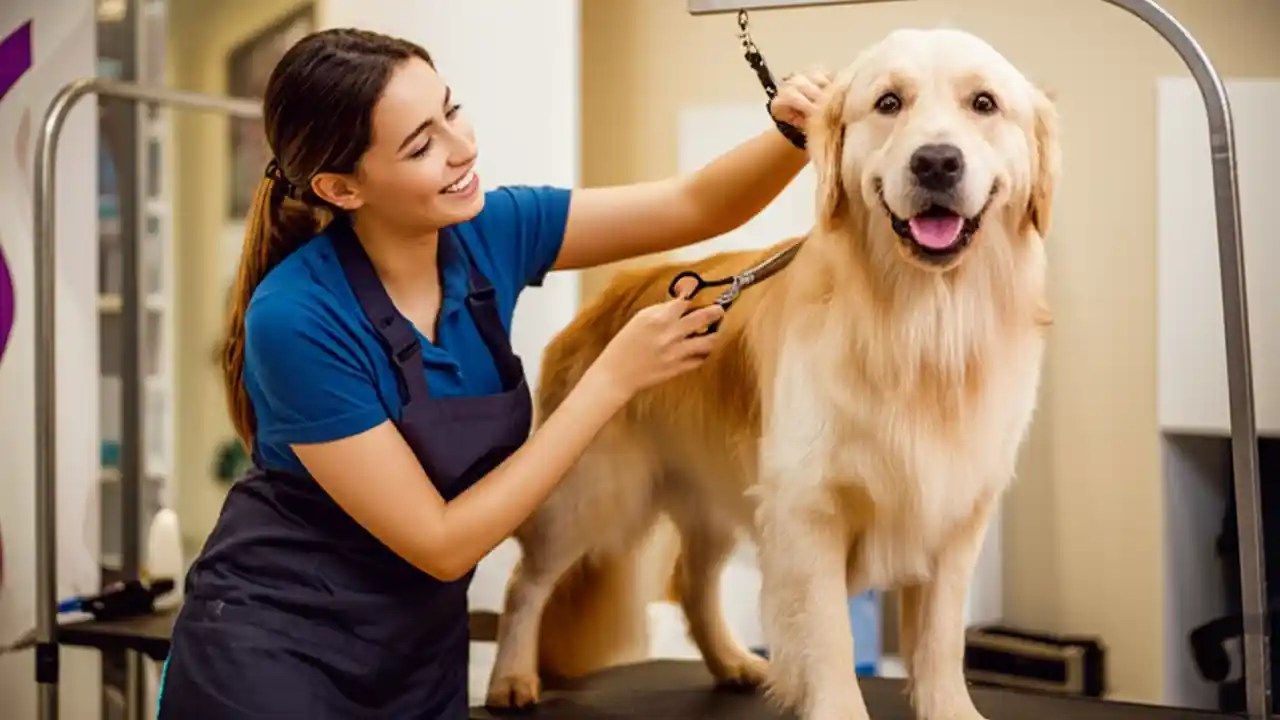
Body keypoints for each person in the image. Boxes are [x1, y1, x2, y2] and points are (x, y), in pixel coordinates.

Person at [156, 27, 828, 719]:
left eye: (451, 110)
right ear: (340, 187)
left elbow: (695, 206)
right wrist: (611, 380)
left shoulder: (486, 232)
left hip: (417, 657)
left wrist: (795, 134)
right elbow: (442, 544)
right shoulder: (296, 317)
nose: (462, 147)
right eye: (421, 145)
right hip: (272, 659)